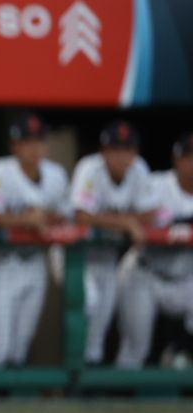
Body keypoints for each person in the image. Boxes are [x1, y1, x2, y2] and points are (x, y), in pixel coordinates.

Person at [0, 114, 70, 368]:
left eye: (39, 141)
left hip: (34, 263)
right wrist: (28, 219)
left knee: (19, 348)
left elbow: (65, 215)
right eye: (27, 142)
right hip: (0, 263)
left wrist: (43, 218)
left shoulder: (56, 175)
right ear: (14, 146)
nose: (34, 148)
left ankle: (9, 405)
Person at [71, 120, 153, 366]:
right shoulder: (89, 169)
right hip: (74, 256)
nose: (121, 156)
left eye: (127, 149)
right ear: (103, 152)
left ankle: (86, 387)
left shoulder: (139, 169)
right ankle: (73, 370)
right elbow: (81, 216)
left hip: (105, 257)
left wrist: (113, 221)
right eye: (115, 150)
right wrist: (126, 222)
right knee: (89, 300)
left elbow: (148, 214)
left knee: (101, 322)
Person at [116, 133, 193, 368]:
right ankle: (117, 399)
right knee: (135, 349)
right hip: (144, 273)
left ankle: (181, 348)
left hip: (184, 280)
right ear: (176, 160)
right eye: (188, 158)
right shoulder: (154, 185)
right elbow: (125, 213)